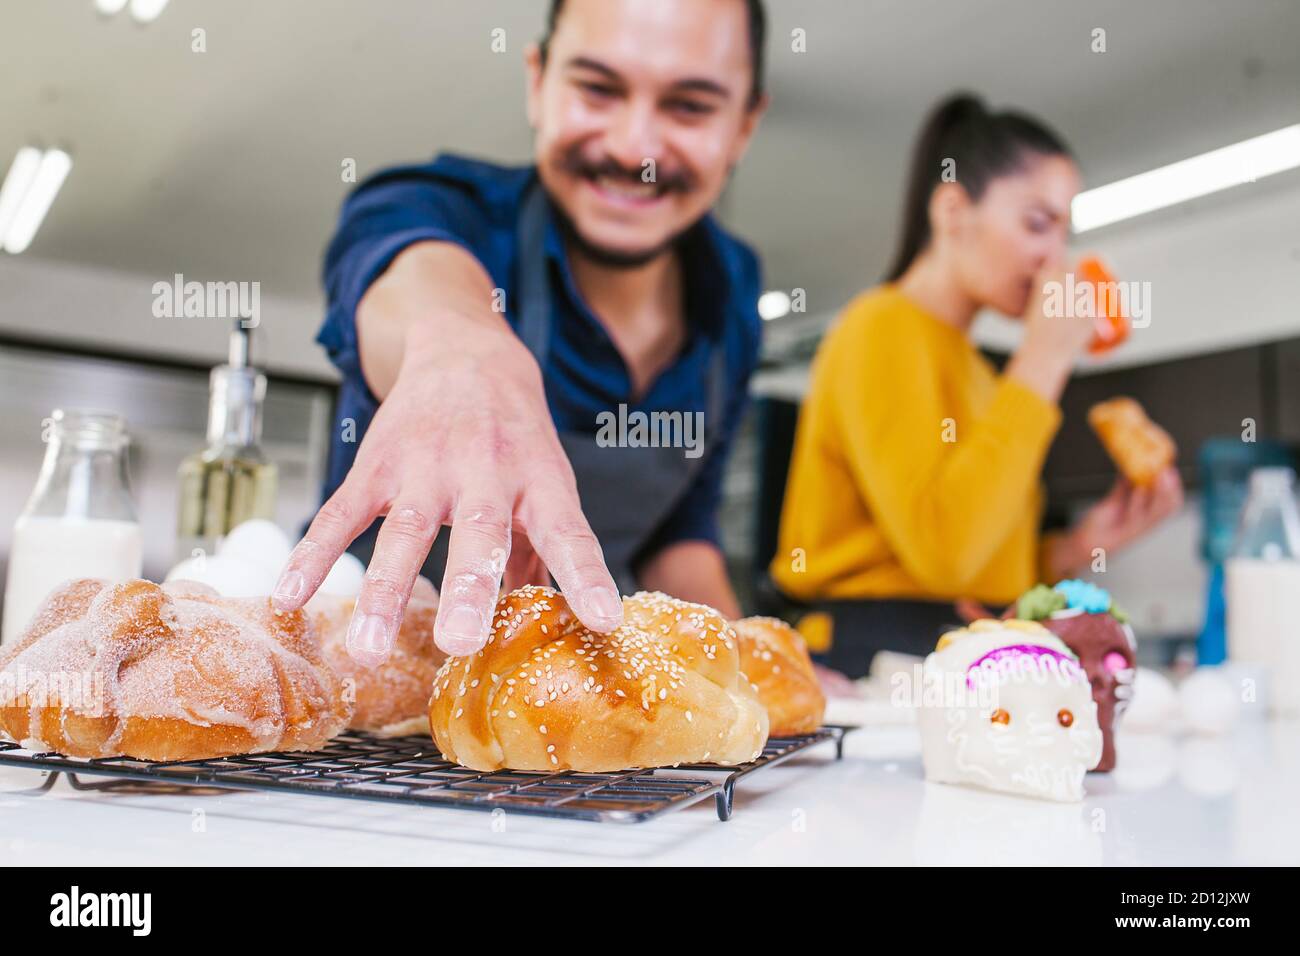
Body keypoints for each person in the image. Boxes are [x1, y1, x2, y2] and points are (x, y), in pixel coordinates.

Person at [271, 0, 769, 666]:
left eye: (690, 106)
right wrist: (460, 351)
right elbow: (407, 278)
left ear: (744, 126)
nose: (634, 148)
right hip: (362, 674)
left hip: (559, 694)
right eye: (597, 88)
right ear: (538, 82)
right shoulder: (441, 207)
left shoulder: (732, 288)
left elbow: (681, 535)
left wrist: (744, 667)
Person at [770, 93, 1183, 676]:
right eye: (1037, 223)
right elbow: (945, 554)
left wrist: (1082, 544)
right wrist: (1044, 357)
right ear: (952, 210)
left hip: (974, 644)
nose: (1053, 257)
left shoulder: (984, 373)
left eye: (1064, 231)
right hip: (875, 662)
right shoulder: (878, 327)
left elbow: (982, 557)